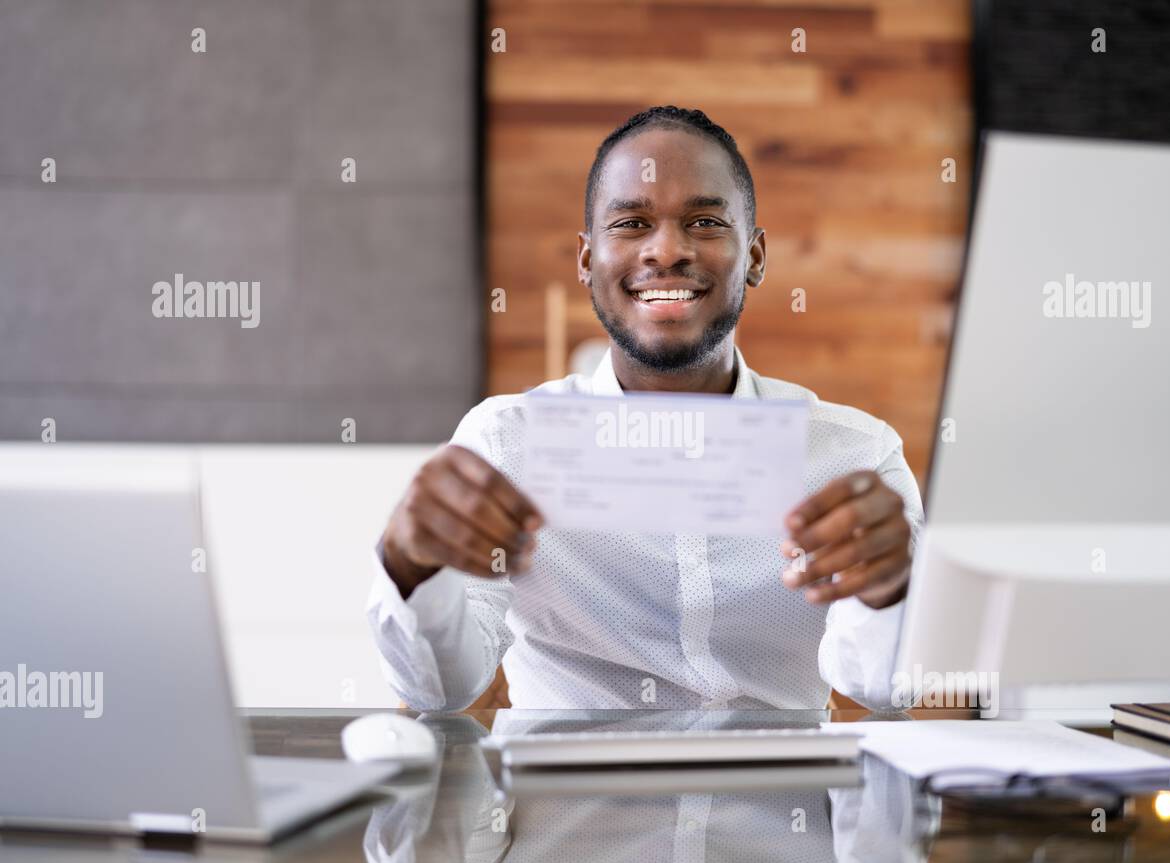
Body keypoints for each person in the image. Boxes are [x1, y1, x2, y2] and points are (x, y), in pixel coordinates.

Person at [368, 106, 923, 711]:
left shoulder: (854, 458)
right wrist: (408, 563)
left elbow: (885, 687)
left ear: (756, 257)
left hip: (777, 802)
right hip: (574, 802)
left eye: (706, 221)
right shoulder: (506, 444)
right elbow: (440, 690)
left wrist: (890, 589)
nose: (666, 250)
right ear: (586, 260)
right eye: (632, 223)